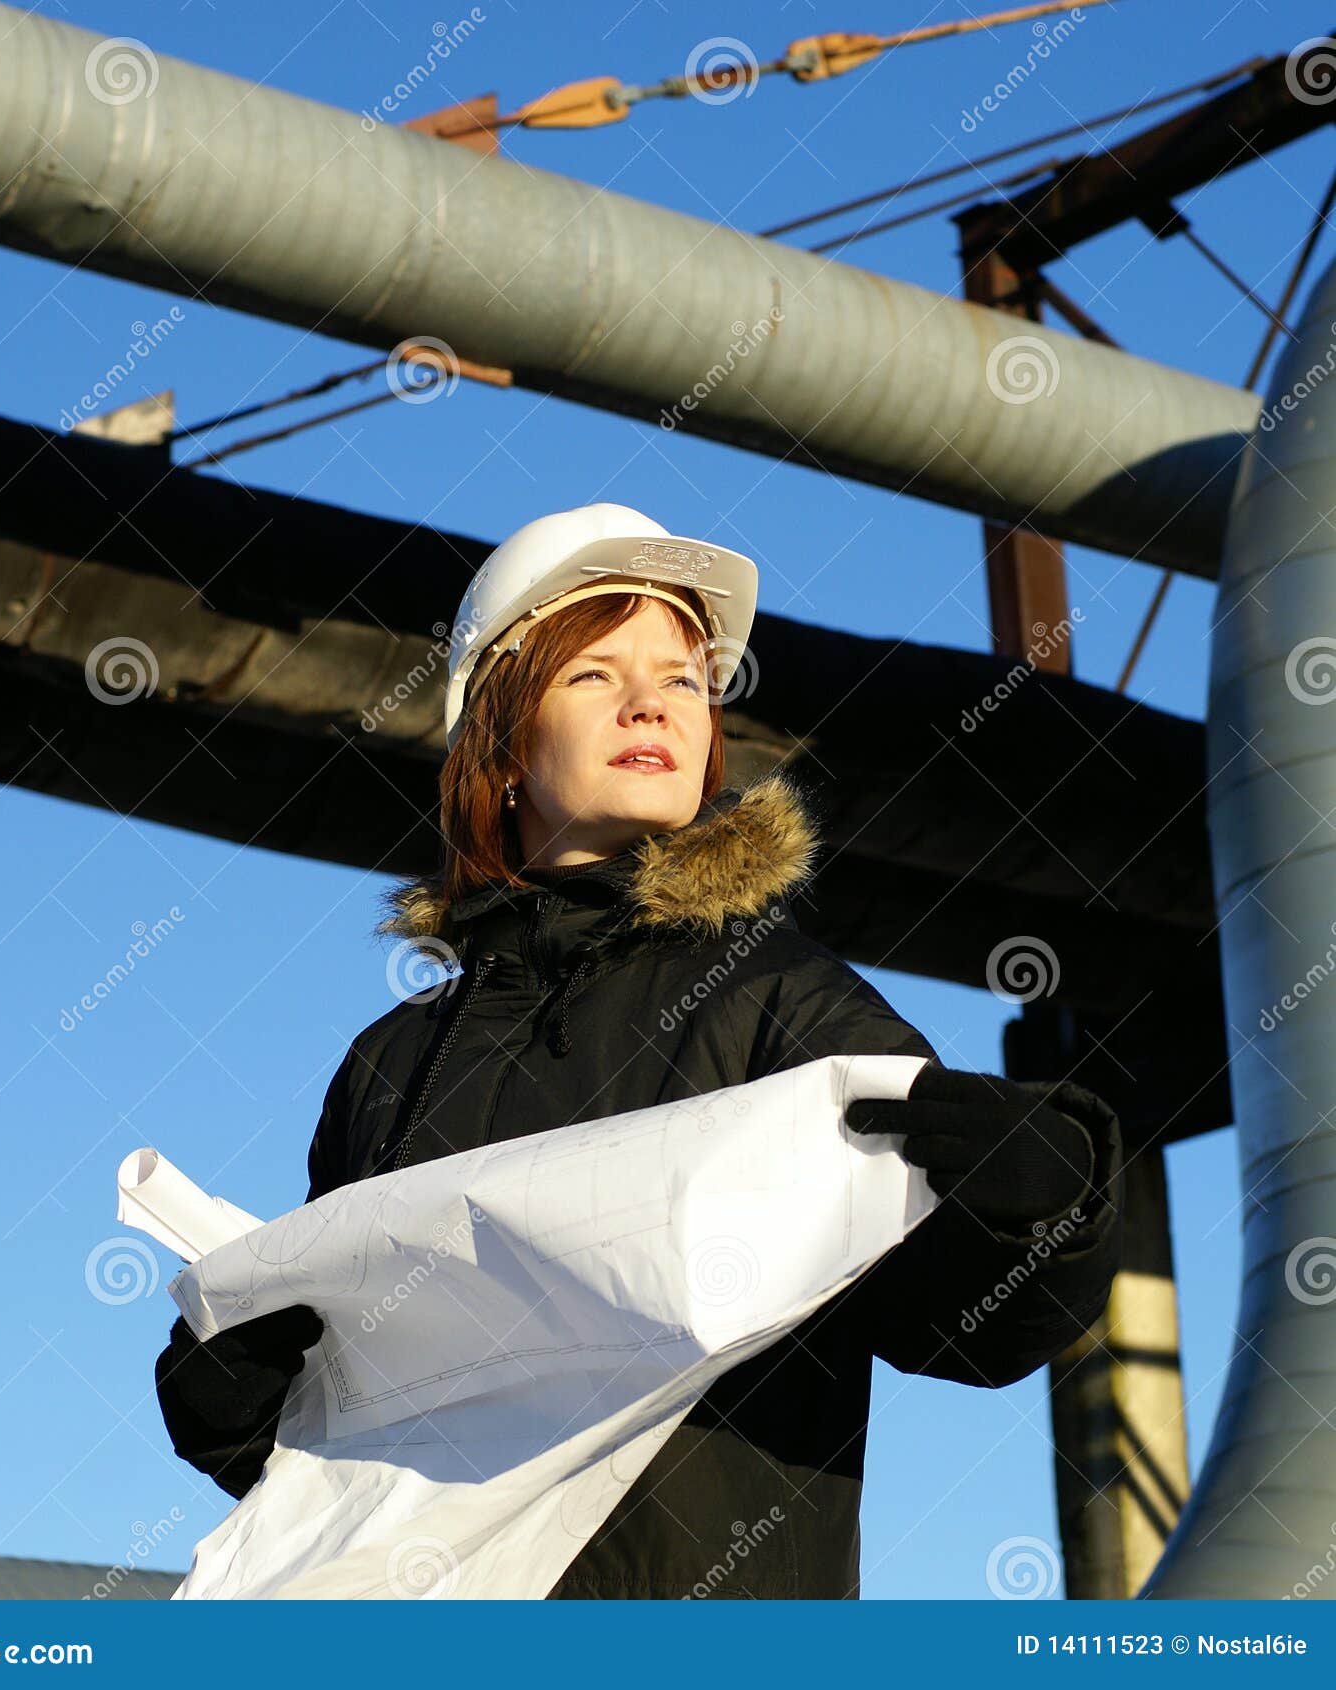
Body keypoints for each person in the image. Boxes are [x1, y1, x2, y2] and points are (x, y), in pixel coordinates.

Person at [155, 501, 1124, 1599]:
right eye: (593, 674)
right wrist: (231, 1389)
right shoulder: (388, 1069)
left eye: (683, 678)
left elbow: (963, 1327)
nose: (650, 700)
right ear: (504, 746)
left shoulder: (777, 1001)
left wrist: (1040, 1207)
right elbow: (350, 1467)